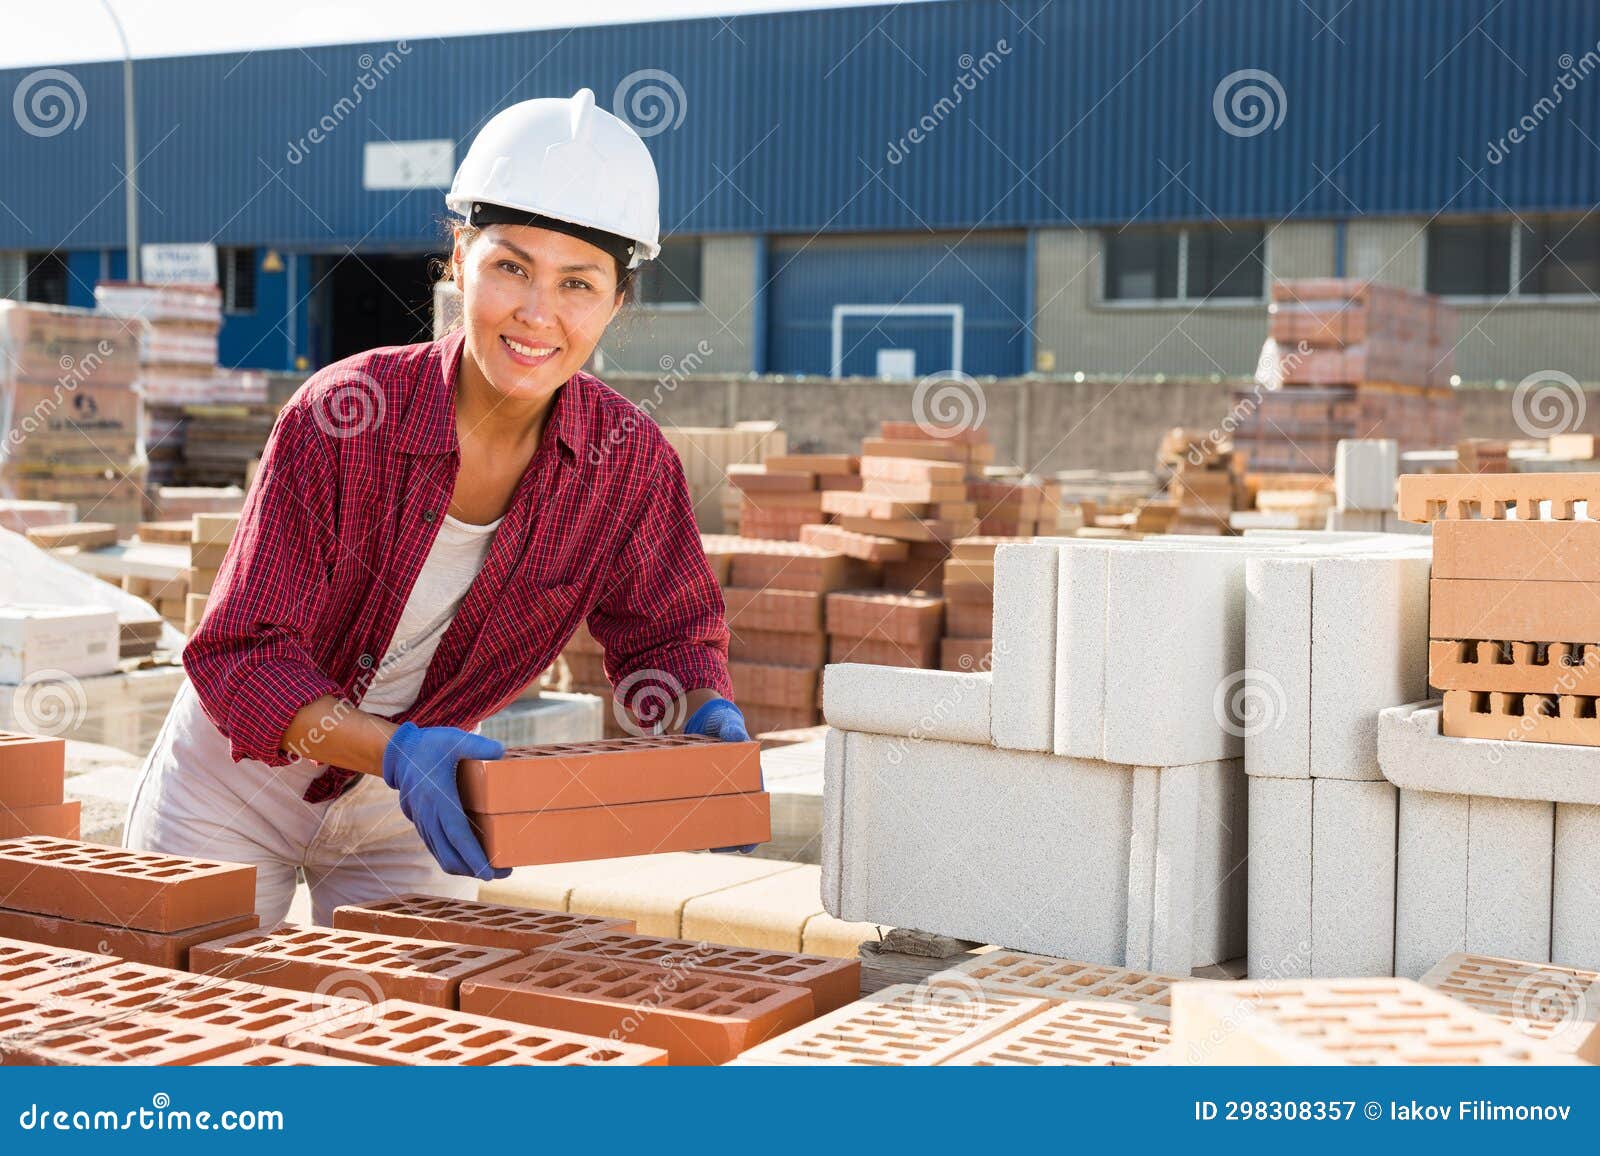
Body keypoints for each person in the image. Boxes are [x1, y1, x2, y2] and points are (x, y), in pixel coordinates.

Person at [124, 89, 752, 926]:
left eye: (578, 283)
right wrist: (394, 750)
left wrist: (695, 714)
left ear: (616, 302)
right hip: (241, 779)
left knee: (391, 1040)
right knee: (198, 1024)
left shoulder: (626, 463)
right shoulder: (343, 418)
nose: (537, 313)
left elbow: (664, 633)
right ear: (460, 256)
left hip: (417, 805)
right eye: (511, 267)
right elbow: (240, 656)